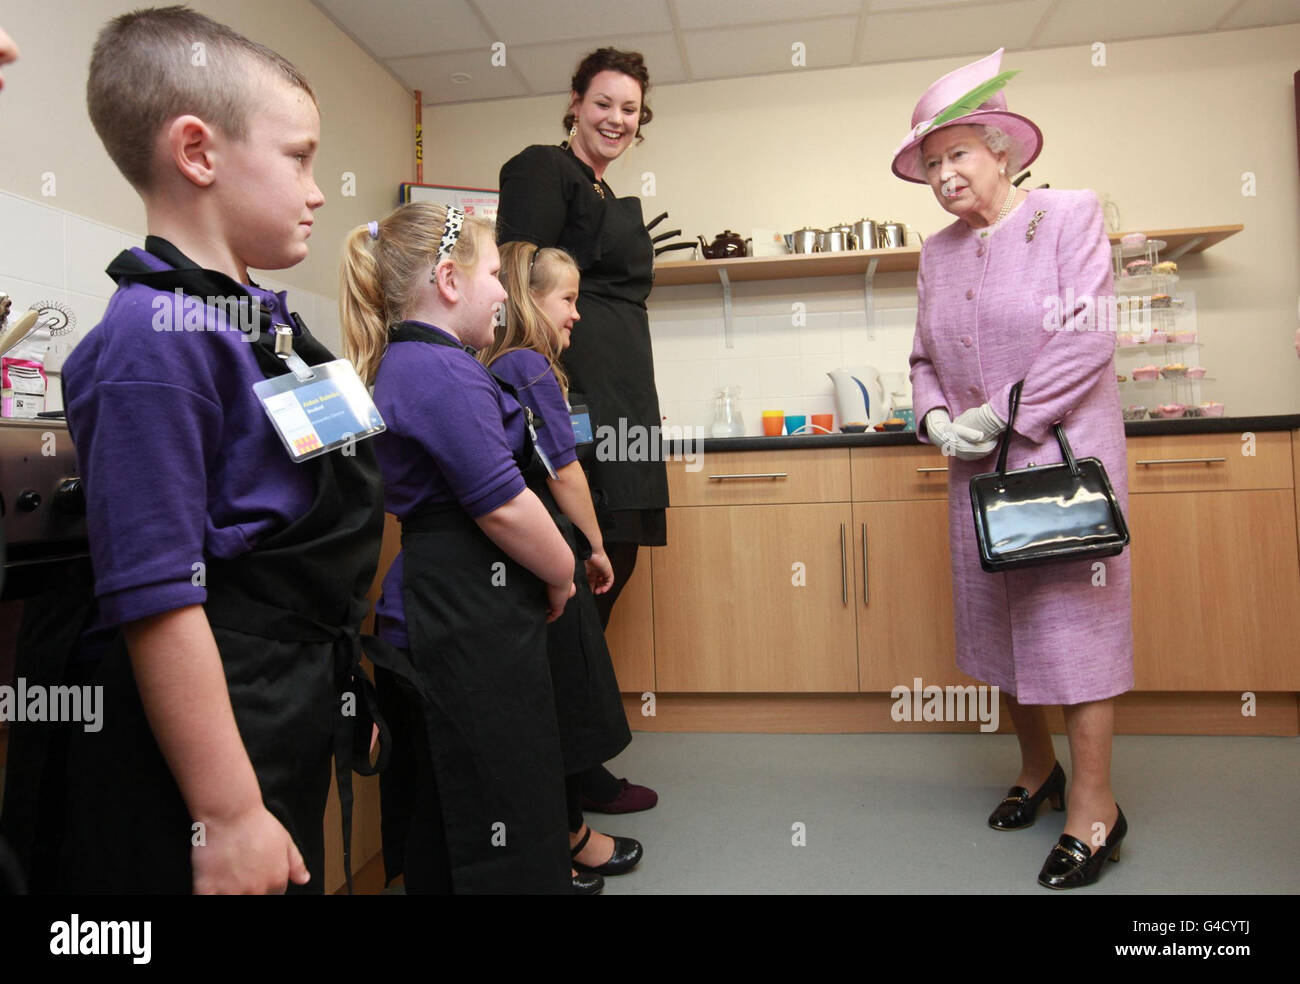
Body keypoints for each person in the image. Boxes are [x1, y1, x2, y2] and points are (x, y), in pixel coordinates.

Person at [0, 7, 384, 894]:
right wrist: (230, 811)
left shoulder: (263, 324)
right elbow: (158, 596)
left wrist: (344, 685)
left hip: (285, 701)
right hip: (205, 747)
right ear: (198, 153)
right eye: (299, 158)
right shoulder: (154, 339)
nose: (318, 190)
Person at [894, 48, 1131, 889]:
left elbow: (1089, 333)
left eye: (957, 153)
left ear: (1001, 150)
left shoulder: (1067, 215)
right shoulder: (937, 252)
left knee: (1073, 630)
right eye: (931, 164)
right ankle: (1039, 769)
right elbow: (923, 358)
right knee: (999, 625)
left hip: (1060, 463)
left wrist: (1004, 412)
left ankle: (1095, 806)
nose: (944, 175)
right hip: (977, 474)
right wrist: (932, 415)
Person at [341, 202, 576, 894]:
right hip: (456, 620)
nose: (505, 292)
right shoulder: (438, 372)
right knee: (485, 807)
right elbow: (502, 505)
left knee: (467, 804)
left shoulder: (423, 363)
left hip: (462, 610)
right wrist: (561, 571)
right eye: (495, 275)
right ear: (448, 280)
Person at [496, 46, 665, 815]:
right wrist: (543, 389)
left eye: (629, 109)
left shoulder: (605, 191)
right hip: (576, 393)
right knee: (572, 571)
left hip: (628, 397)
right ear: (574, 103)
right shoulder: (544, 169)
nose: (616, 119)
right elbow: (520, 280)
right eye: (603, 103)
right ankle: (566, 770)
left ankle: (574, 753)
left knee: (612, 562)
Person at [481, 241, 643, 892]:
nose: (576, 313)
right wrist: (597, 546)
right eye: (567, 299)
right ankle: (569, 837)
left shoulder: (502, 363)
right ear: (529, 300)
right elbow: (563, 469)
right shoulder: (527, 365)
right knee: (568, 698)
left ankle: (567, 833)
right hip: (546, 551)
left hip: (521, 557)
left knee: (554, 698)